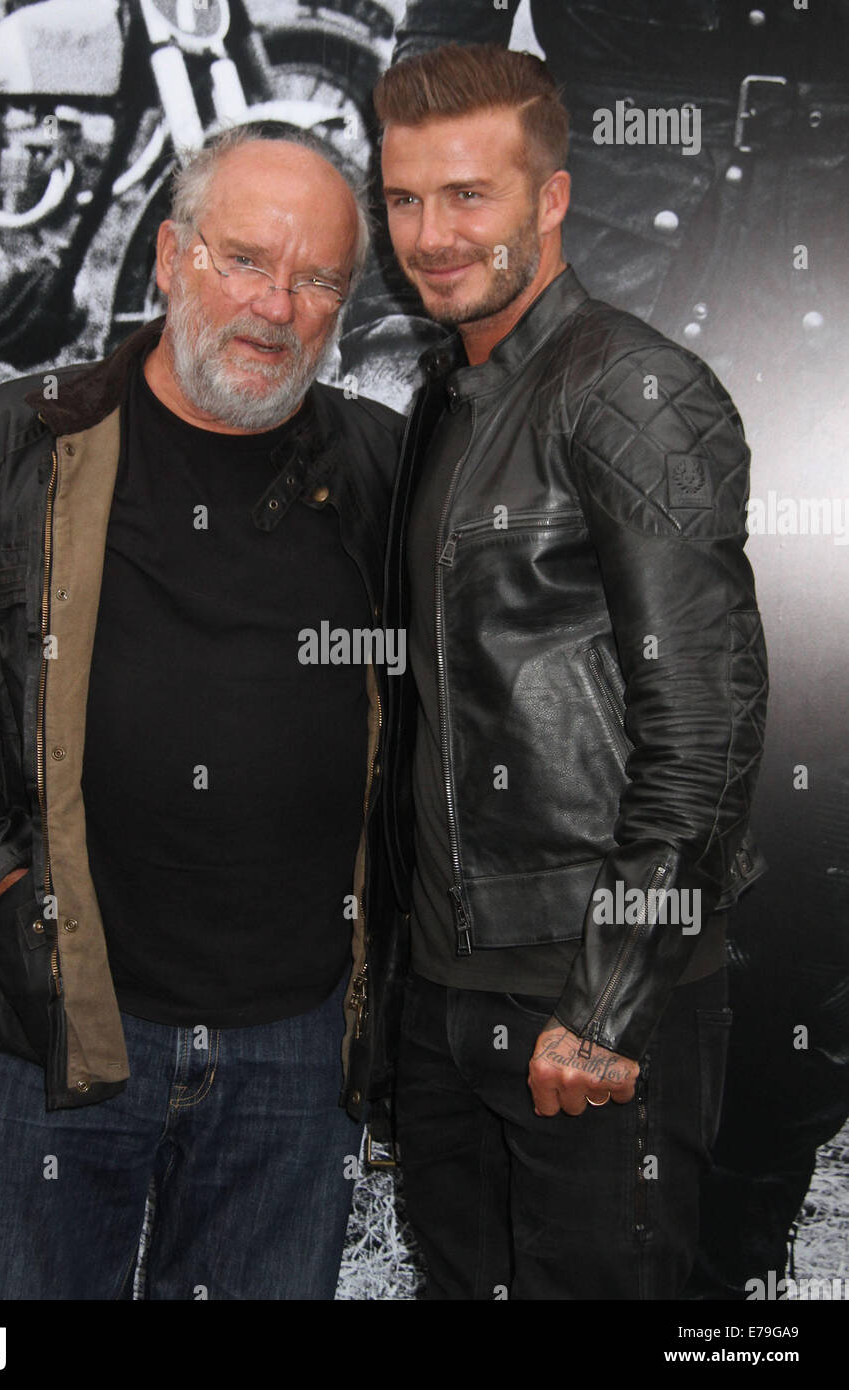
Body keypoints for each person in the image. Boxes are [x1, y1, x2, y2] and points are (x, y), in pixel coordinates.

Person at [0, 126, 401, 1300]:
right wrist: (0, 890)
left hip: (298, 1045)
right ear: (167, 255)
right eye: (245, 260)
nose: (274, 308)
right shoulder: (8, 444)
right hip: (56, 1031)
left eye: (315, 281)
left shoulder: (383, 473)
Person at [372, 43, 768, 1299]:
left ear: (551, 201)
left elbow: (704, 733)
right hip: (449, 995)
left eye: (467, 196)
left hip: (588, 1003)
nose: (428, 236)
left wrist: (604, 1007)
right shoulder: (449, 395)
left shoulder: (636, 392)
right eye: (401, 199)